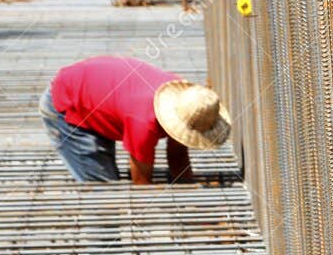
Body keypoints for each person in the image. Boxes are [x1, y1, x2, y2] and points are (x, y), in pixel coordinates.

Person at [39, 56, 230, 184]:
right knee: (104, 196)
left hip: (96, 96)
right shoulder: (144, 122)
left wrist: (189, 189)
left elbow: (177, 156)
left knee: (107, 181)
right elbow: (141, 185)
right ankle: (105, 244)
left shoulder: (182, 97)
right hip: (67, 106)